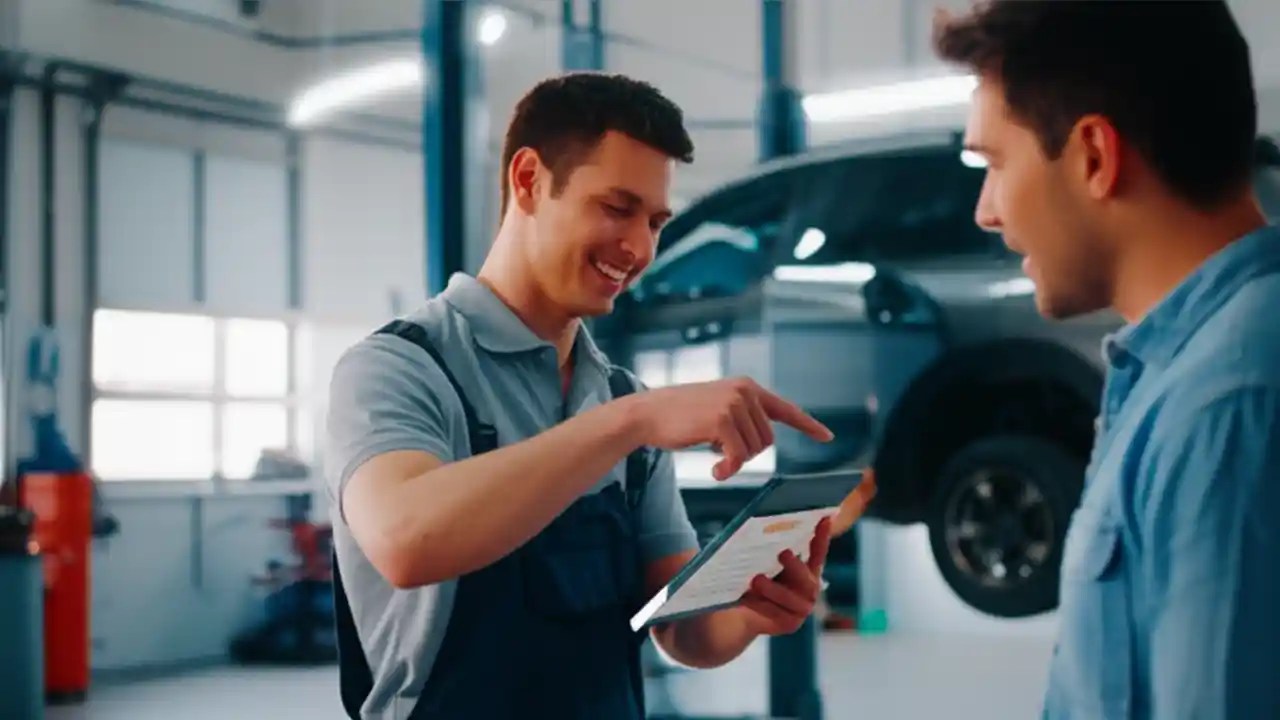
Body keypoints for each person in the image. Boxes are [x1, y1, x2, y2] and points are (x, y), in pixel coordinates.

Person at [324, 73, 877, 719]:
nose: (640, 248)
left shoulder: (618, 398)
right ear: (528, 180)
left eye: (655, 221)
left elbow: (681, 631)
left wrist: (750, 609)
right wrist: (629, 422)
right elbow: (407, 541)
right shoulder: (397, 369)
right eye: (616, 209)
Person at [934, 2, 1280, 718]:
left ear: (1094, 155)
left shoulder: (1228, 404)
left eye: (995, 163)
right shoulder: (1179, 373)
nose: (986, 211)